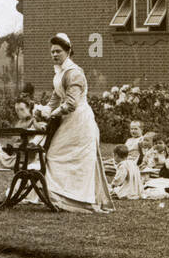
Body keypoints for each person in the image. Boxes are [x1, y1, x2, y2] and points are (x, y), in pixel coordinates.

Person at [34, 33, 113, 213]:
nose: (54, 55)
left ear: (68, 52)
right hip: (68, 120)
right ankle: (61, 196)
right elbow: (55, 98)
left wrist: (52, 115)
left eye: (58, 51)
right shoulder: (60, 73)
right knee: (55, 154)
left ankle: (77, 199)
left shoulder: (74, 72)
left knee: (68, 156)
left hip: (79, 120)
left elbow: (71, 103)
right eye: (52, 52)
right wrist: (44, 111)